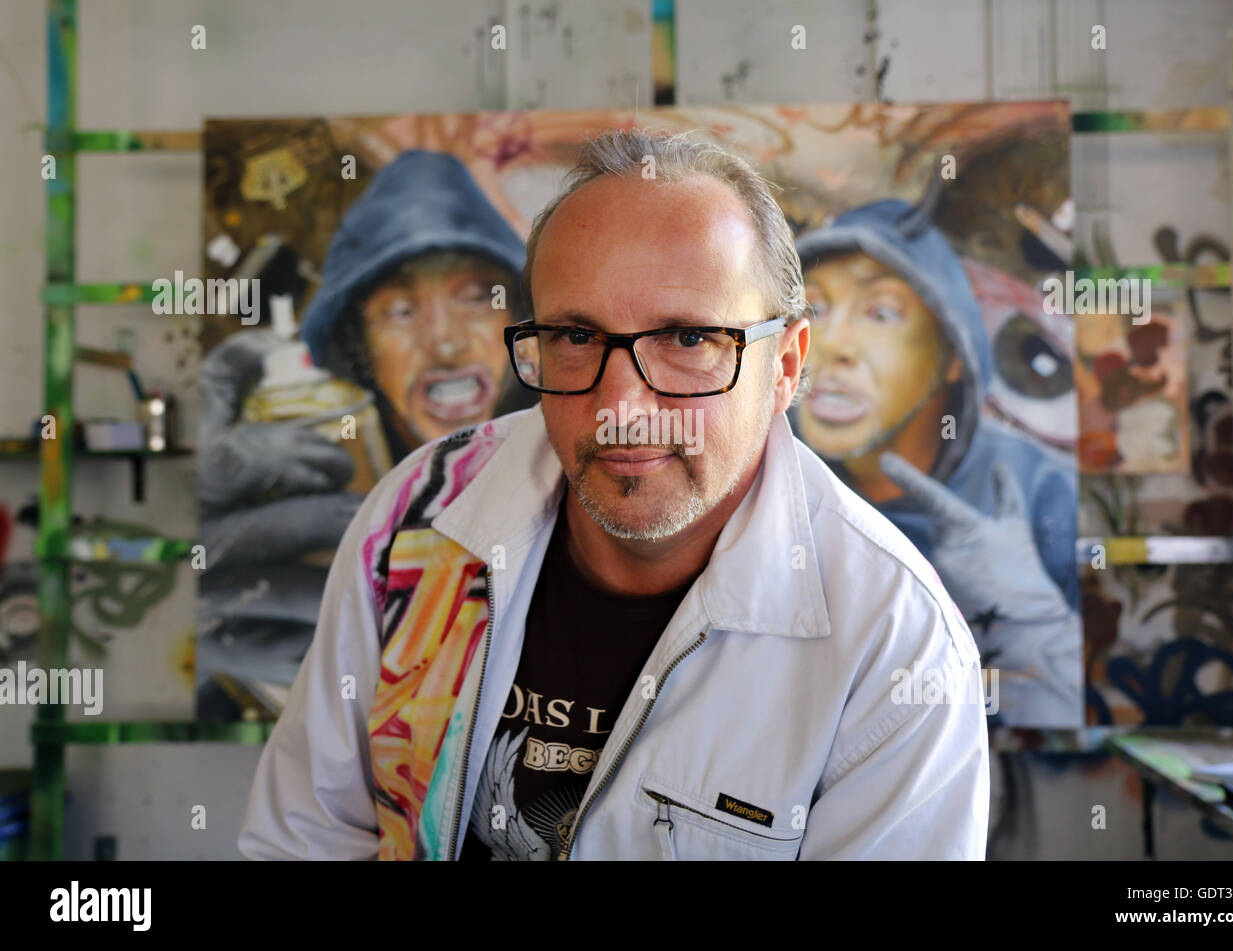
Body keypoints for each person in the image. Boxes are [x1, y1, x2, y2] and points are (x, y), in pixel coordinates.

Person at [238, 129, 989, 860]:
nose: (621, 402)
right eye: (575, 336)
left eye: (689, 339)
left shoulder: (898, 647)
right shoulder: (419, 516)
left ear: (786, 365)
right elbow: (305, 836)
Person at [196, 150, 531, 718]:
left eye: (478, 297)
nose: (446, 343)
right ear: (361, 353)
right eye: (400, 311)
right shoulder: (318, 489)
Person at [793, 195, 1082, 727]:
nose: (831, 345)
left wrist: (1028, 616)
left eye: (881, 313)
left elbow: (1066, 712)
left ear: (952, 354)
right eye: (814, 309)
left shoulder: (1036, 490)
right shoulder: (758, 483)